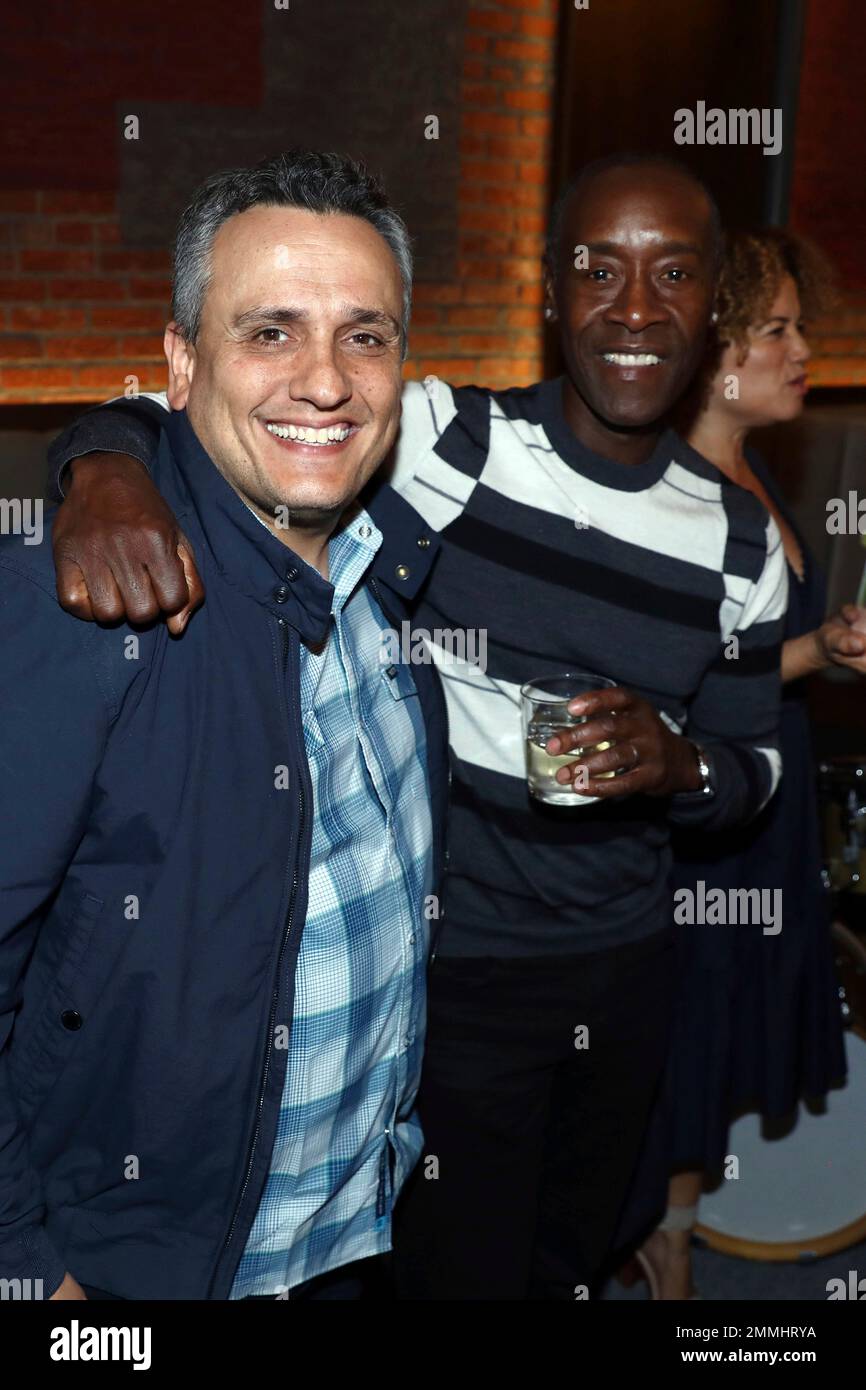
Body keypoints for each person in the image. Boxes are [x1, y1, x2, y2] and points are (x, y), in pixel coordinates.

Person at [43, 154, 786, 1300]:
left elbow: (761, 766)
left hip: (623, 965)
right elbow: (225, 407)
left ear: (709, 303)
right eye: (597, 270)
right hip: (455, 971)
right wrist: (100, 467)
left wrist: (680, 761)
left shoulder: (742, 543)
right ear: (548, 294)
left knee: (575, 1251)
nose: (633, 308)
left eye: (673, 274)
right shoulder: (449, 441)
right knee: (456, 1265)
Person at [0, 151, 450, 1301]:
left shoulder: (393, 575)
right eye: (268, 334)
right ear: (182, 359)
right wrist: (29, 1267)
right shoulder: (85, 605)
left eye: (364, 335)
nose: (324, 381)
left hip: (347, 1240)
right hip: (132, 1275)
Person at [622, 228, 862, 1300]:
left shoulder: (745, 470)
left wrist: (826, 652)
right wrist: (818, 649)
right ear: (715, 353)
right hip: (703, 827)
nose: (801, 347)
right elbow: (674, 680)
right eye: (775, 328)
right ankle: (654, 1248)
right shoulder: (671, 489)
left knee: (714, 1055)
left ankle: (664, 1237)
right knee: (682, 1050)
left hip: (759, 807)